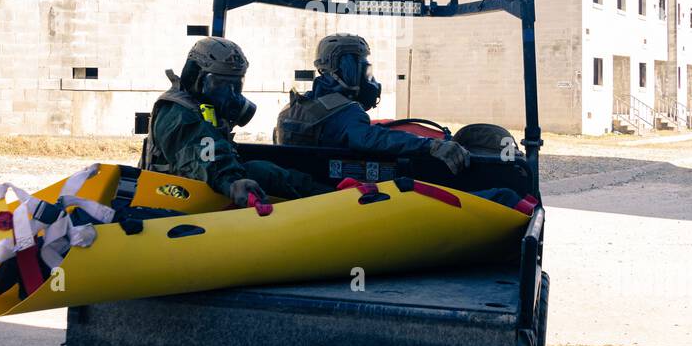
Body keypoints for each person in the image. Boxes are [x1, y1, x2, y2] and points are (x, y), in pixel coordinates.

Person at [141, 37, 324, 207]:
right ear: (196, 79)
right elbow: (202, 155)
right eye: (219, 84)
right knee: (261, 173)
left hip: (195, 191)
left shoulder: (202, 106)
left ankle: (333, 194)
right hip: (170, 198)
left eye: (236, 85)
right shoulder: (178, 114)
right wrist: (232, 182)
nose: (229, 94)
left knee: (269, 168)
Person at [274, 33, 470, 174]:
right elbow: (370, 138)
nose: (369, 79)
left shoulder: (294, 107)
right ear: (347, 70)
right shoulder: (346, 112)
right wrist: (432, 146)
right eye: (365, 71)